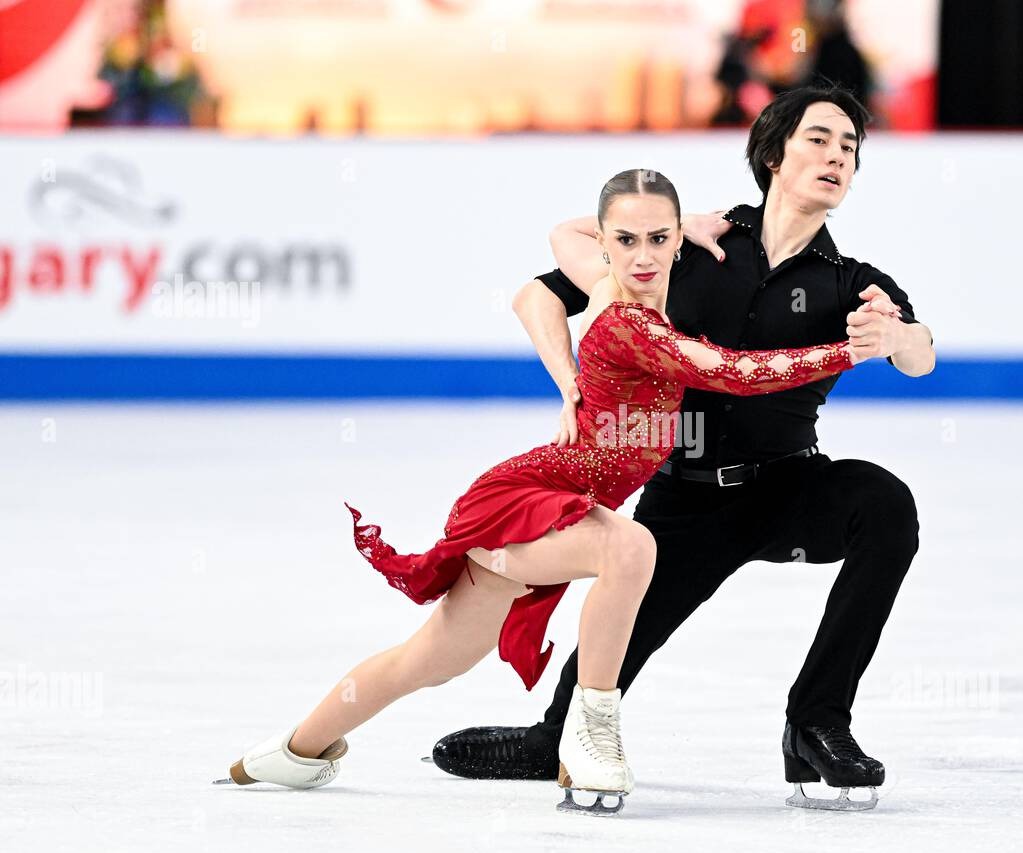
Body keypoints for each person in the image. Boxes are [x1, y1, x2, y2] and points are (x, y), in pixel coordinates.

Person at [218, 168, 862, 813]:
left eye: (658, 239)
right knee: (630, 548)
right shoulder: (627, 320)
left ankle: (293, 753)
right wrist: (850, 350)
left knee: (431, 661)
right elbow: (740, 373)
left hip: (560, 511)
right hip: (523, 502)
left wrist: (684, 221)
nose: (642, 255)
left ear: (678, 243)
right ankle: (592, 735)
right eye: (625, 240)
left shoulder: (627, 286)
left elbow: (562, 232)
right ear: (606, 244)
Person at [432, 84, 935, 808]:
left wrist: (898, 338)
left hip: (789, 488)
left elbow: (921, 352)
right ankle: (554, 739)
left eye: (850, 149)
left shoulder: (851, 284)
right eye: (819, 139)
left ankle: (816, 722)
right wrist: (571, 385)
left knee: (887, 505)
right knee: (604, 662)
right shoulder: (690, 247)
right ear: (772, 154)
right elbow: (546, 287)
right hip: (686, 497)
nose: (836, 157)